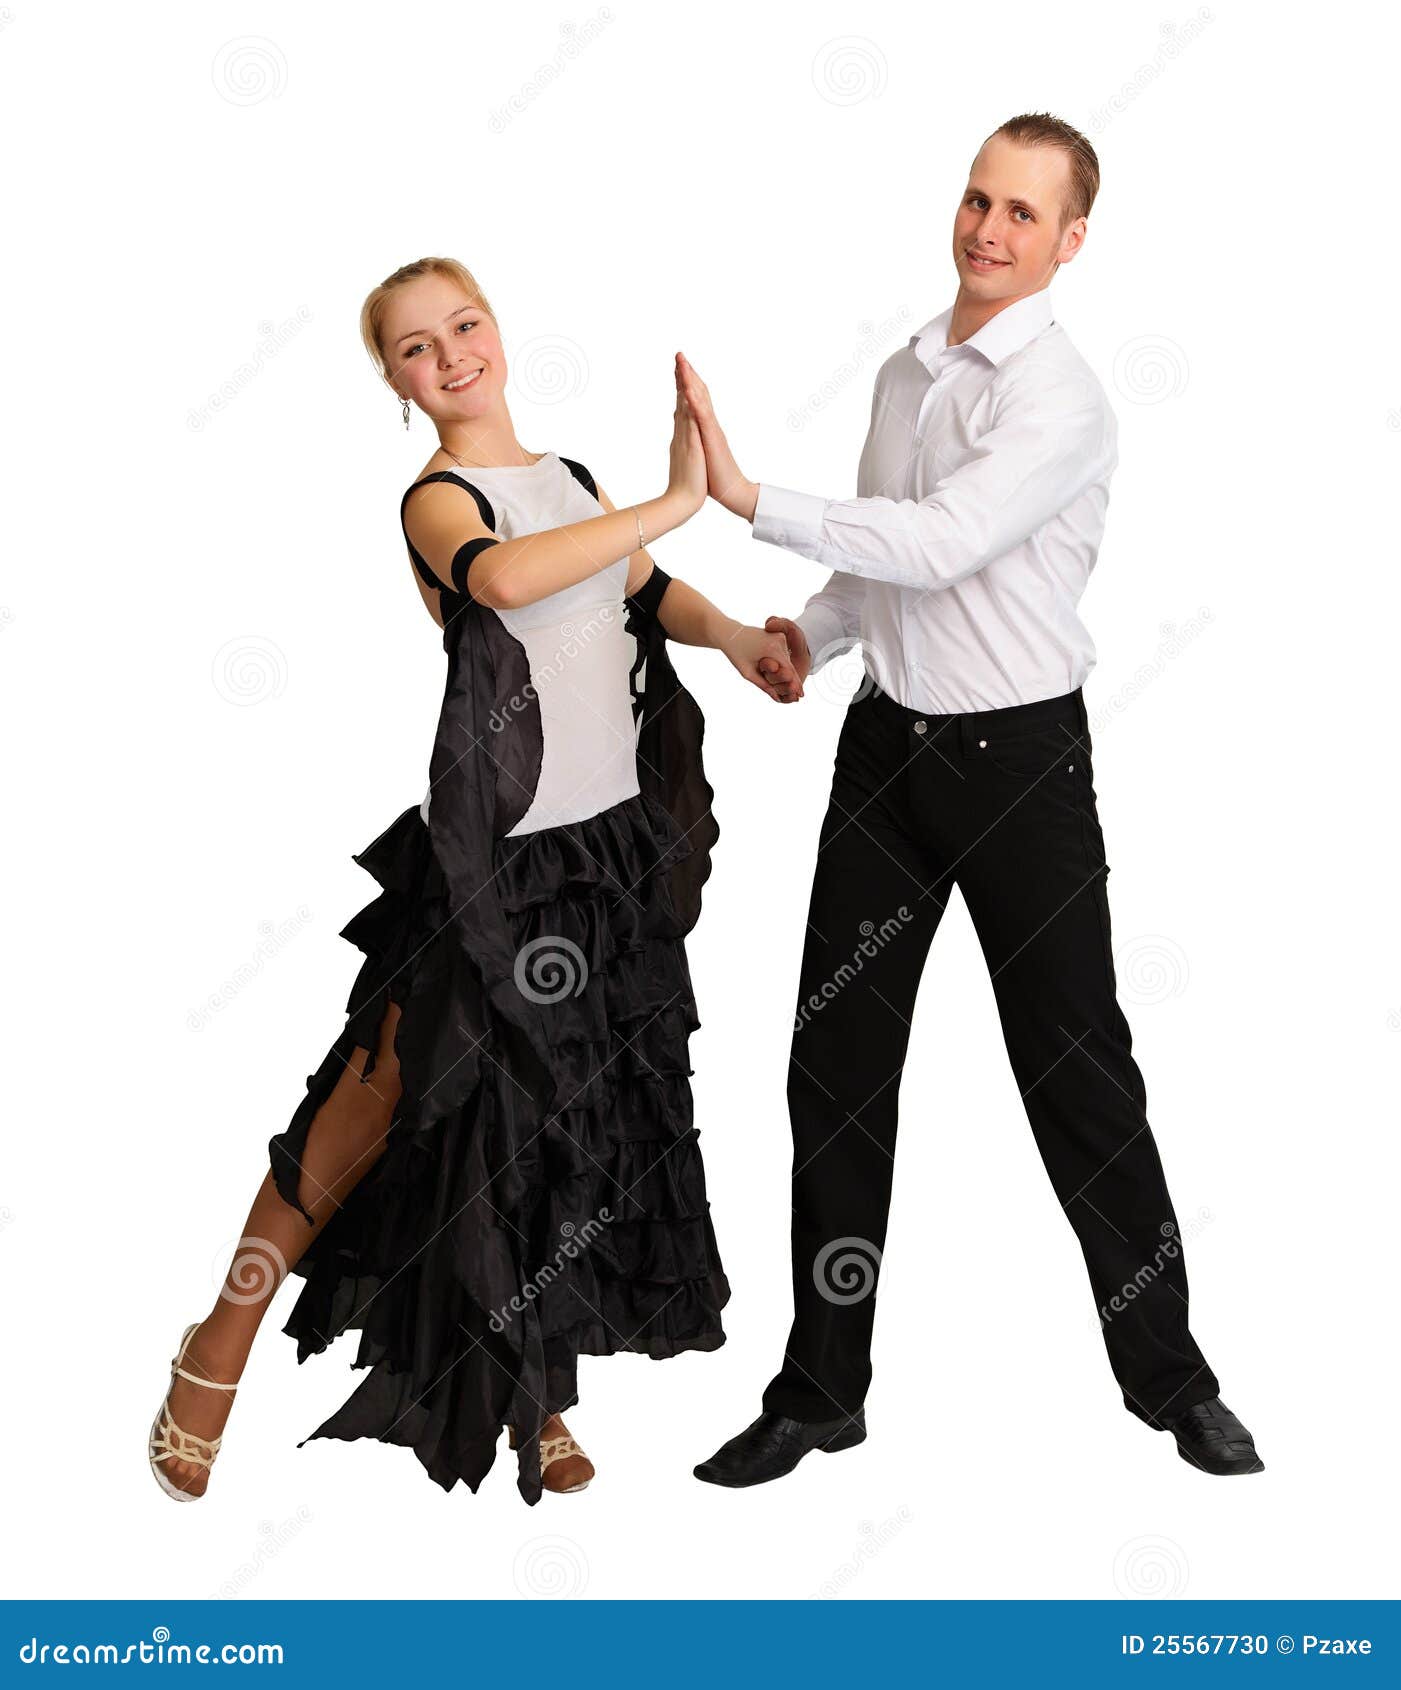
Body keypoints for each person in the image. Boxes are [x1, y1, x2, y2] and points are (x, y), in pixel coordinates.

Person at [148, 256, 802, 1506]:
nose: (451, 355)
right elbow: (506, 578)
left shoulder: (572, 482)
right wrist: (676, 498)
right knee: (373, 1099)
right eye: (416, 347)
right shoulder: (439, 501)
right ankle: (218, 1340)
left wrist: (731, 635)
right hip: (488, 863)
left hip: (599, 858)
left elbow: (642, 591)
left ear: (497, 330)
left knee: (557, 1126)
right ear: (396, 383)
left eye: (464, 325)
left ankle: (537, 1388)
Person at [683, 113, 1264, 1485]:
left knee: (1078, 1077)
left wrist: (747, 496)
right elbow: (884, 557)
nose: (988, 229)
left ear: (1070, 241)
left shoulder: (1061, 399)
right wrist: (813, 638)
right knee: (834, 1072)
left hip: (1018, 774)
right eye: (977, 199)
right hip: (884, 764)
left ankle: (1173, 1382)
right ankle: (821, 1390)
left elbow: (943, 543)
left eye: (1021, 213)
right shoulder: (906, 371)